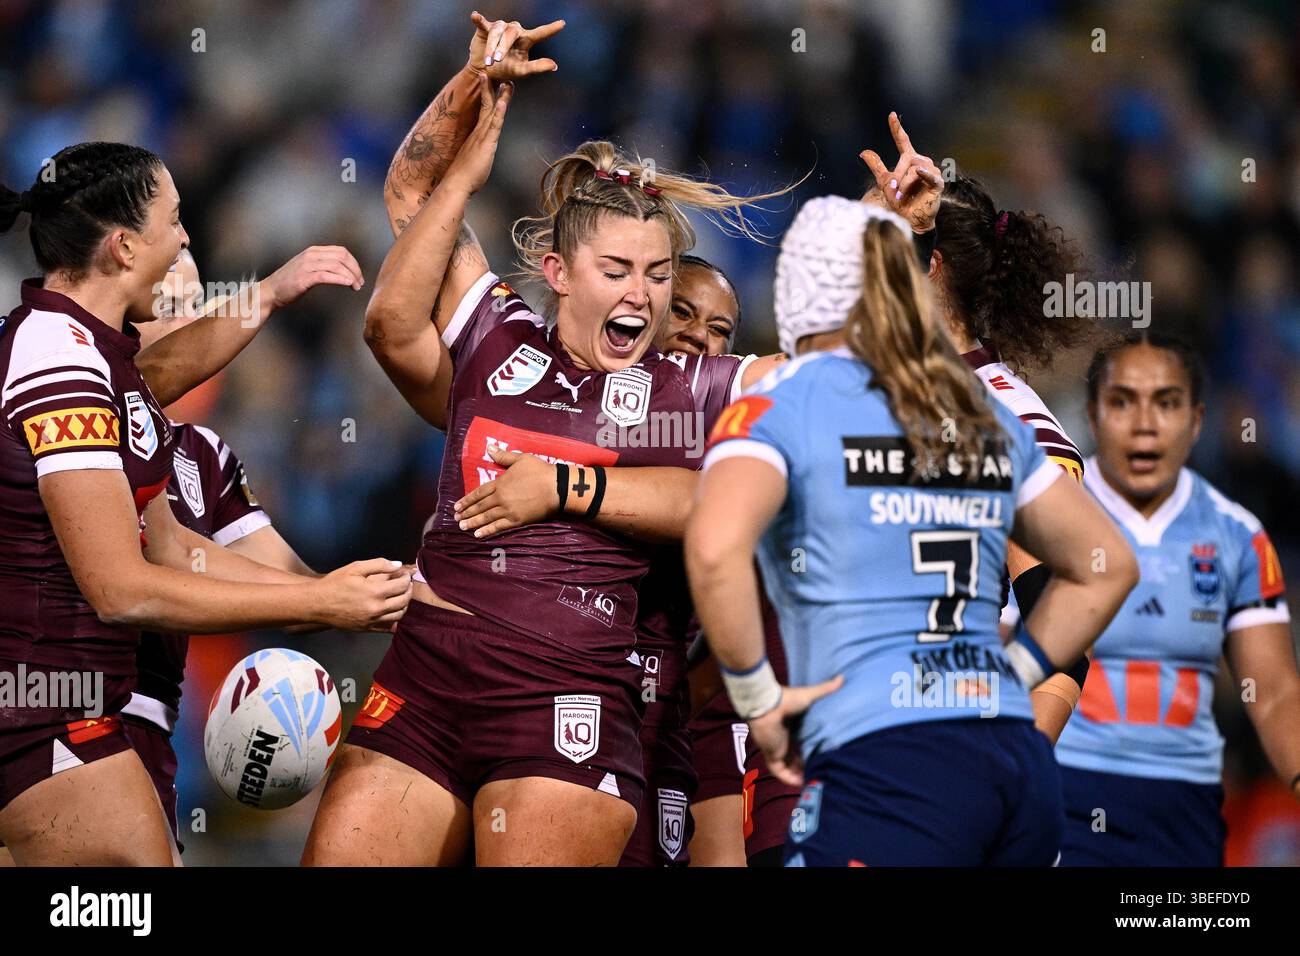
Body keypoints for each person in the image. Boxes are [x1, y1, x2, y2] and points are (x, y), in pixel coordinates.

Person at [302, 46, 788, 863]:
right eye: (619, 270)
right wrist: (471, 108)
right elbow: (409, 206)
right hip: (424, 670)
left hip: (564, 693)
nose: (642, 294)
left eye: (659, 275)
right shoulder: (497, 335)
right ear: (559, 273)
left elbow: (833, 382)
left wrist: (568, 487)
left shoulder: (693, 386)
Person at [685, 195, 1138, 865]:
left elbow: (715, 549)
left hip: (889, 758)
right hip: (1001, 766)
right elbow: (1105, 569)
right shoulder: (991, 417)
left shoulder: (806, 397)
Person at [0, 143, 410, 866]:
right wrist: (325, 607)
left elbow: (173, 548)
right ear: (124, 248)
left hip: (78, 712)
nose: (188, 238)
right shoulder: (58, 359)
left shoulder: (103, 364)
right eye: (174, 220)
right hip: (43, 712)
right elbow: (121, 590)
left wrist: (337, 594)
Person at [862, 119, 1093, 742]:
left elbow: (1062, 628)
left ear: (926, 265)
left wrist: (1007, 784)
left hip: (935, 745)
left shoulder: (1010, 419)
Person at [1056, 332, 1300, 865]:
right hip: (1062, 806)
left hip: (1185, 817)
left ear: (1195, 420)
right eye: (1123, 402)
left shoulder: (1238, 536)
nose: (1145, 423)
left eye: (1166, 403)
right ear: (1093, 418)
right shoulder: (1044, 522)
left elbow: (1276, 693)